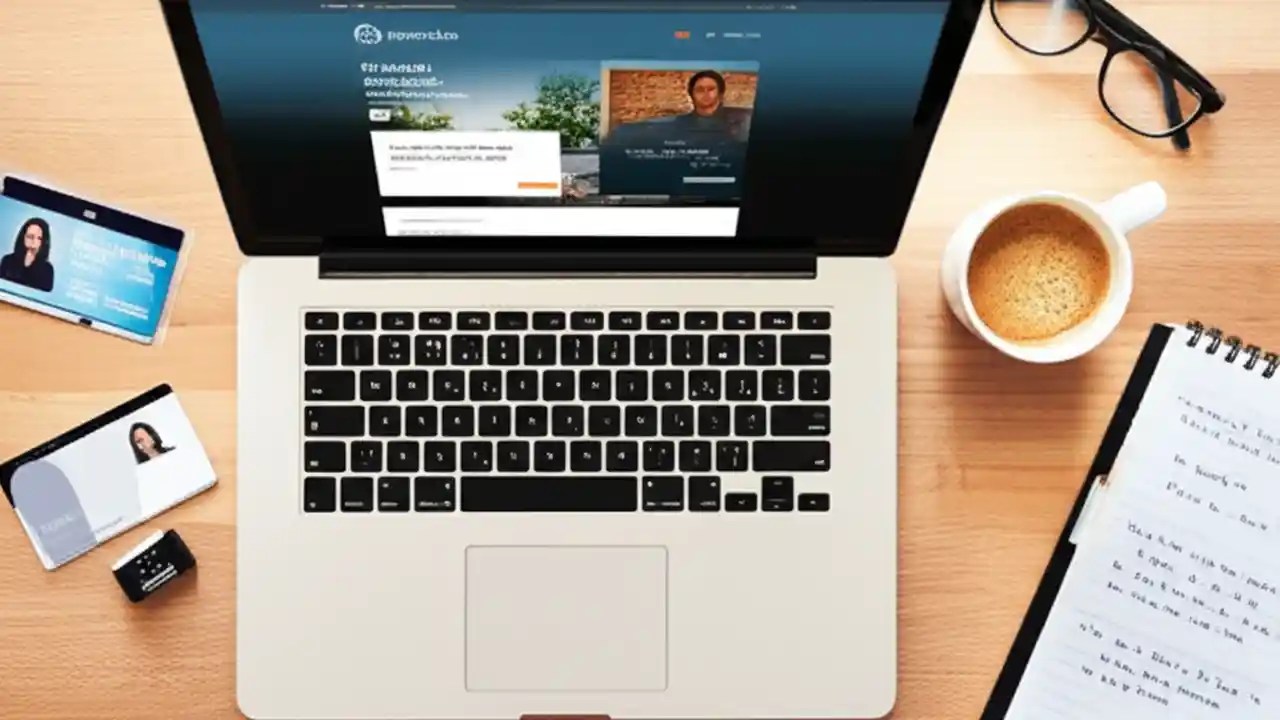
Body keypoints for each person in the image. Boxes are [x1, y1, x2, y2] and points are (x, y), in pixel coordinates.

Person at [0, 218, 56, 292]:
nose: (34, 241)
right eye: (30, 237)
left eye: (39, 238)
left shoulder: (47, 269)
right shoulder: (7, 260)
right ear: (23, 237)